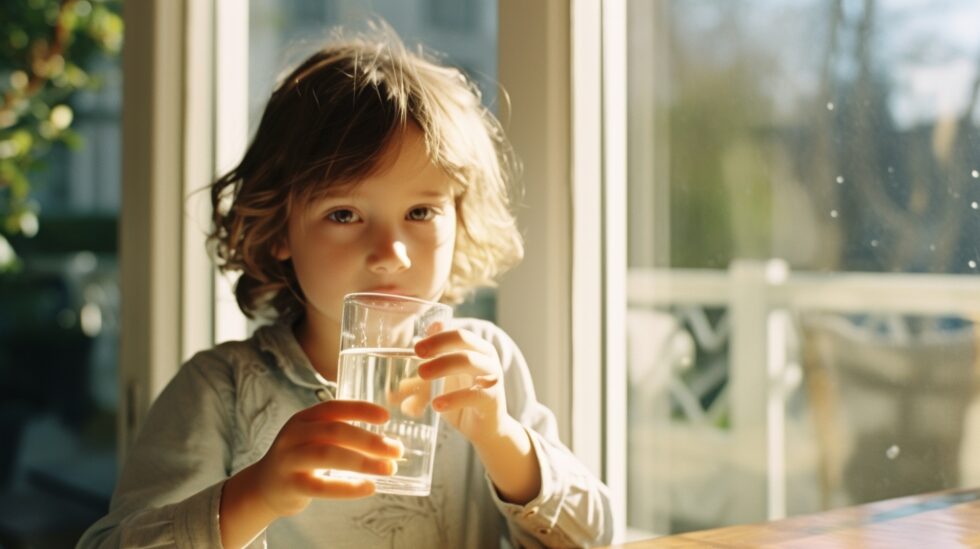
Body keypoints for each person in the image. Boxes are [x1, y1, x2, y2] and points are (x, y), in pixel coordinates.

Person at [78, 25, 613, 549]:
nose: (390, 254)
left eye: (421, 212)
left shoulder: (487, 365)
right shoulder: (221, 391)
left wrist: (503, 441)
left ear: (461, 218)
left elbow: (594, 538)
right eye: (345, 214)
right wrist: (256, 494)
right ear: (281, 228)